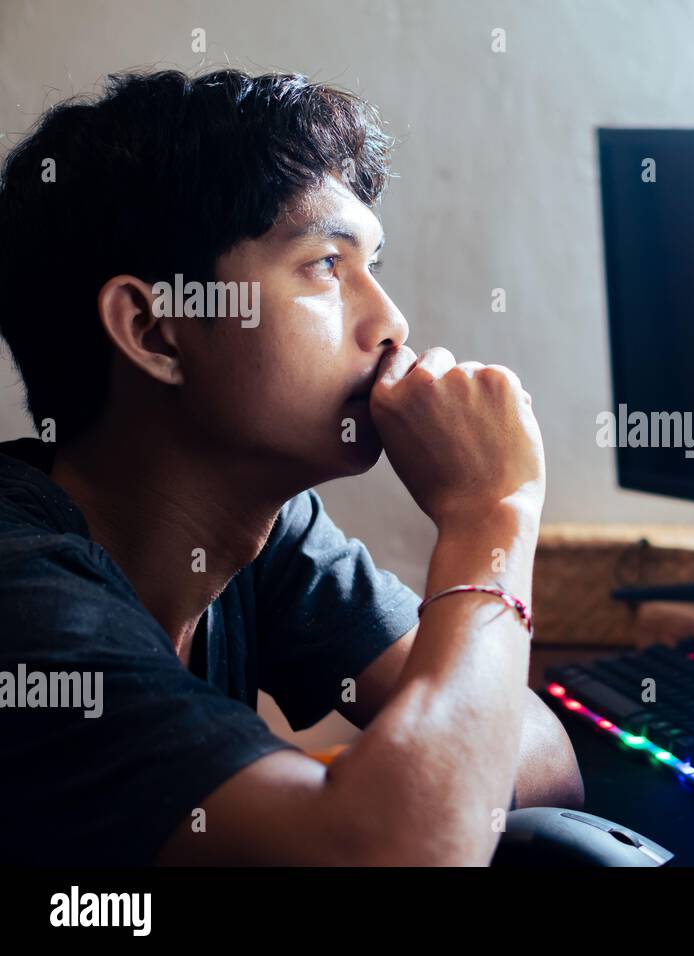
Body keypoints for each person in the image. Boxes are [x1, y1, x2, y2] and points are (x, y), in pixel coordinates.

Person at [0, 68, 582, 865]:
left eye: (374, 265)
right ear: (155, 330)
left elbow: (545, 759)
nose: (391, 322)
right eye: (325, 265)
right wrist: (493, 511)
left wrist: (359, 799)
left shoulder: (267, 535)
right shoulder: (21, 592)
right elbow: (402, 854)